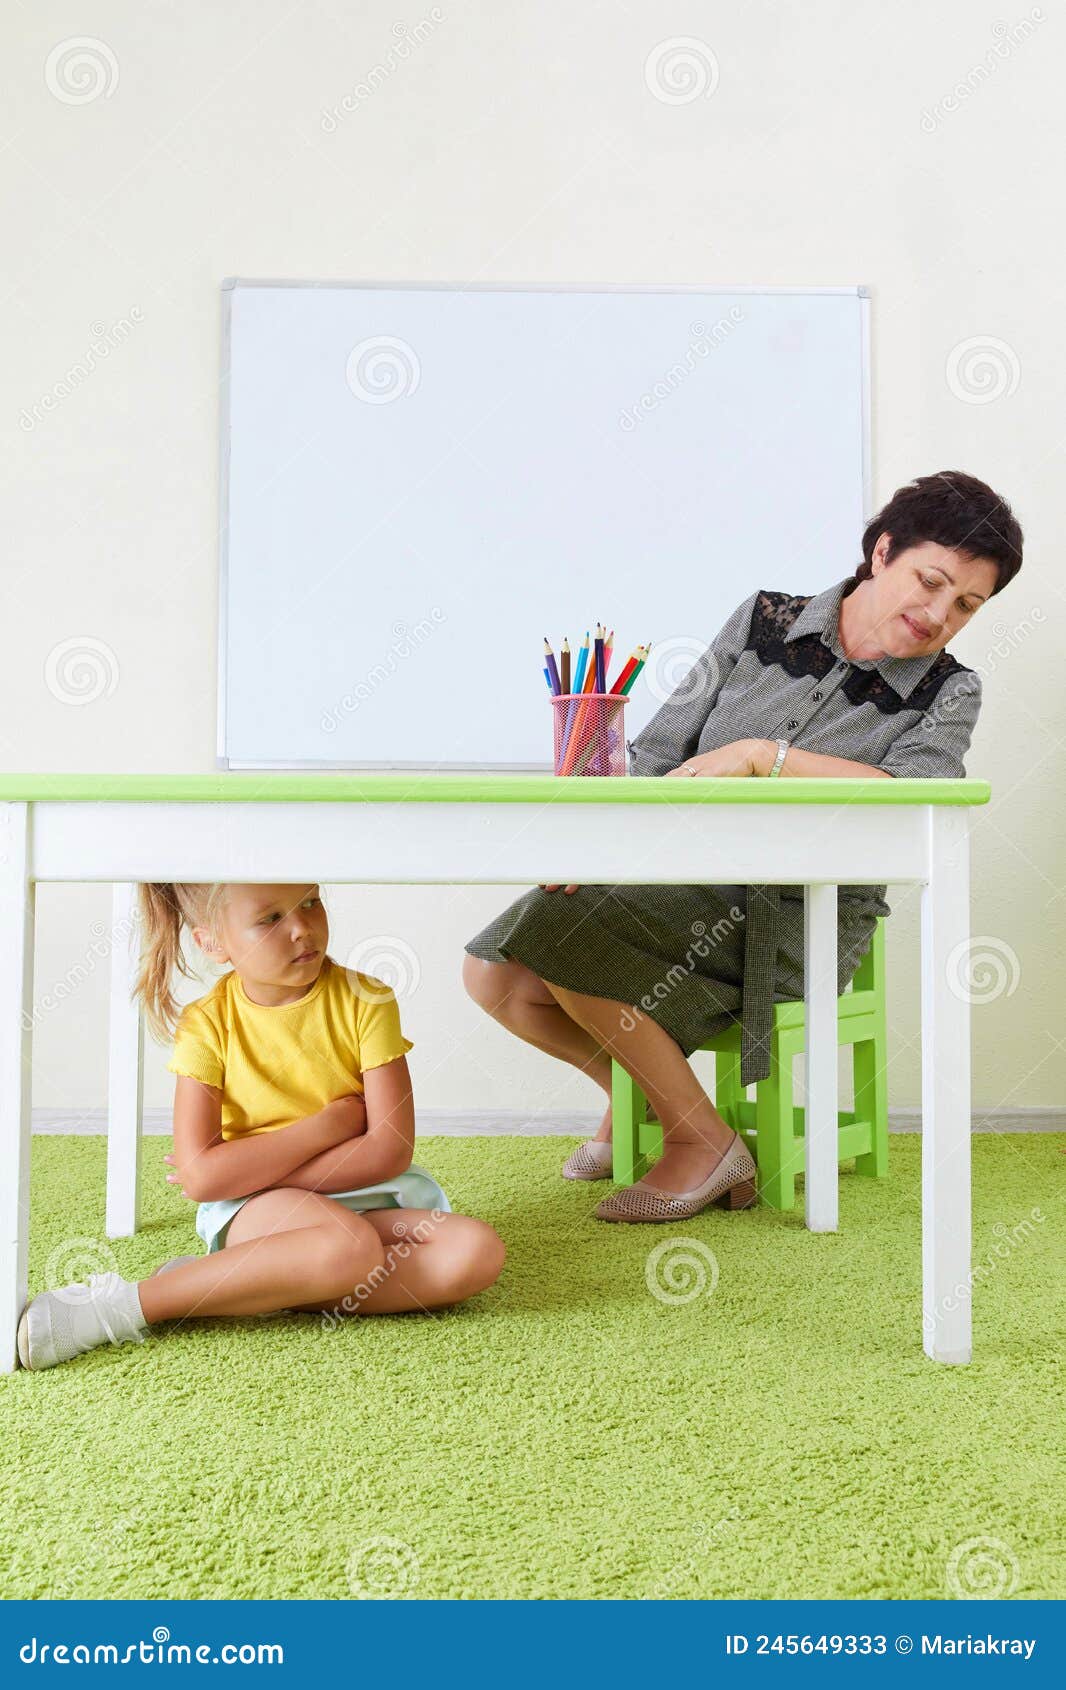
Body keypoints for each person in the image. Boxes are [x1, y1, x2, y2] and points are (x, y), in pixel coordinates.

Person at [462, 469, 1024, 1223]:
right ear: (882, 550)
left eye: (966, 605)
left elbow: (910, 795)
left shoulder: (951, 690)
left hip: (800, 917)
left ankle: (704, 1145)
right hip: (676, 880)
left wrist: (769, 755)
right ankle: (659, 1103)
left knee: (561, 934)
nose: (938, 614)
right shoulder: (763, 619)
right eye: (930, 581)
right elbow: (660, 750)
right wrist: (598, 847)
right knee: (493, 972)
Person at [18, 882, 504, 1369]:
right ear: (212, 942)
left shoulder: (367, 999)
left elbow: (390, 1152)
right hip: (259, 1208)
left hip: (364, 1195)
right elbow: (205, 1183)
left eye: (311, 902)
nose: (301, 928)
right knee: (351, 1249)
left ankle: (231, 1285)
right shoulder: (206, 1024)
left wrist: (246, 1165)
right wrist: (328, 1126)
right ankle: (127, 1305)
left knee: (475, 1251)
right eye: (270, 919)